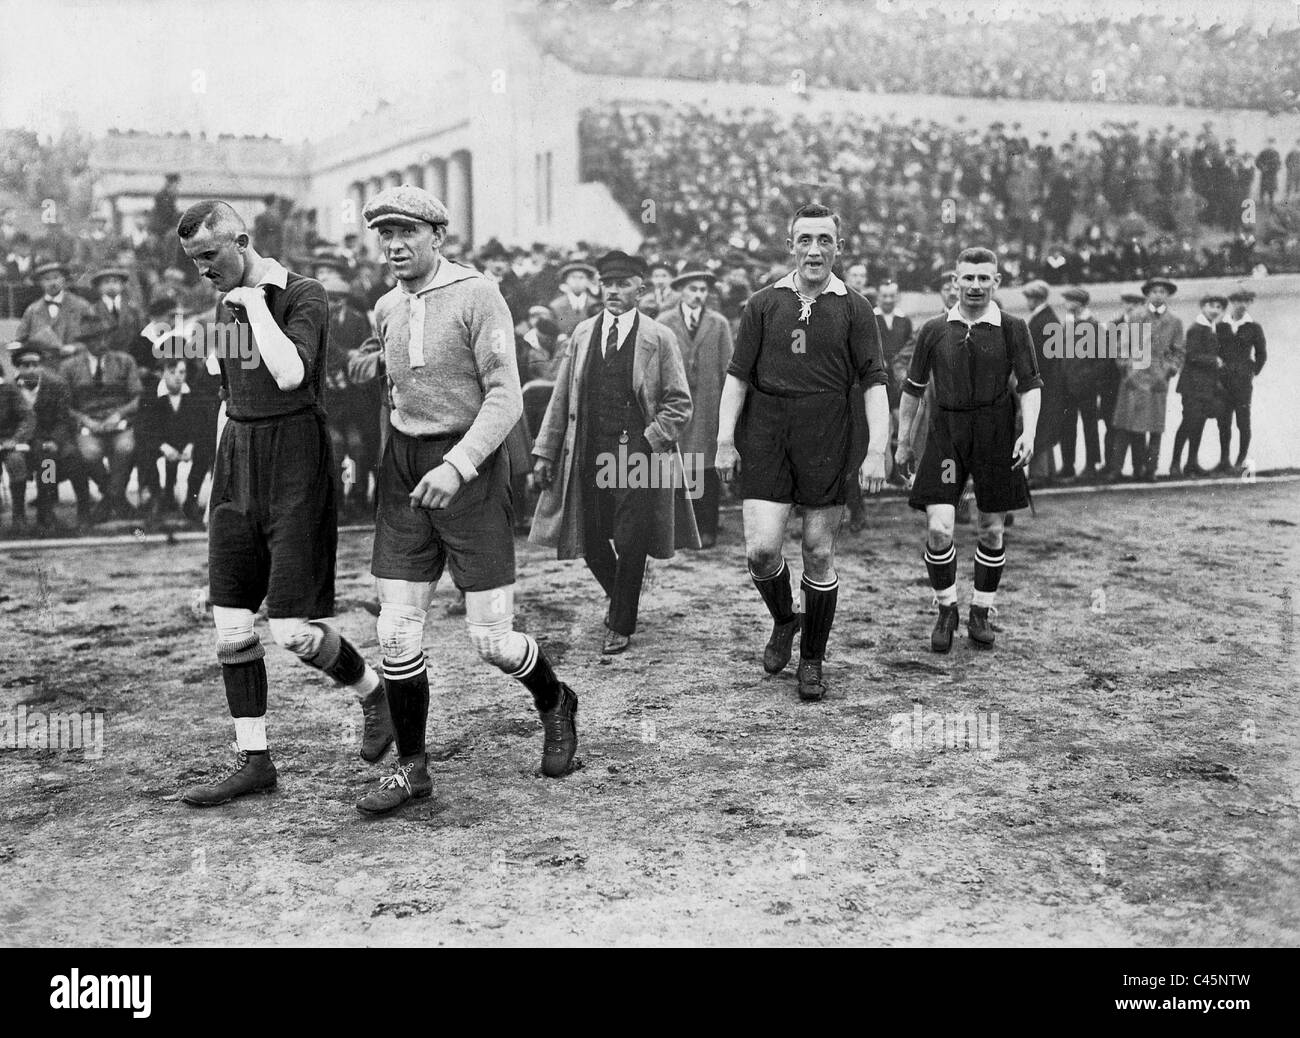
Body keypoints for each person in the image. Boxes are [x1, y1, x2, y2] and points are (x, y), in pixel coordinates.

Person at [358, 185, 579, 815]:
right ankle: (413, 768)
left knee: (491, 639)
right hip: (406, 472)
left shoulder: (479, 294)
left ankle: (555, 700)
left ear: (437, 236)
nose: (395, 246)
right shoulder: (384, 307)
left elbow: (506, 397)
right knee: (395, 630)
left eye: (407, 234)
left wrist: (458, 465)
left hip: (471, 469)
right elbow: (397, 393)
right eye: (385, 236)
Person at [173, 200, 391, 808]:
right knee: (231, 623)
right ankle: (254, 759)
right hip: (238, 460)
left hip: (295, 456)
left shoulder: (306, 294)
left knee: (294, 630)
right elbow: (228, 391)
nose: (203, 272)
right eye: (193, 262)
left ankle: (373, 690)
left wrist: (252, 305)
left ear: (240, 242)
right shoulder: (223, 303)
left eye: (210, 257)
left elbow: (292, 373)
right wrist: (215, 477)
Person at [715, 203, 890, 701]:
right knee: (762, 550)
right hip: (768, 430)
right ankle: (785, 620)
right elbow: (737, 377)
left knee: (817, 551)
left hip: (827, 431)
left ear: (839, 247)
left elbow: (875, 382)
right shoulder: (763, 303)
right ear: (789, 245)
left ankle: (812, 659)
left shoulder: (855, 308)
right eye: (805, 240)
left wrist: (877, 448)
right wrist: (725, 439)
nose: (815, 250)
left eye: (825, 240)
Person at [532, 251, 699, 654]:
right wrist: (545, 452)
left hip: (638, 455)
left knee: (631, 536)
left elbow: (679, 402)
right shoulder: (583, 334)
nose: (613, 291)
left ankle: (621, 621)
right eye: (608, 283)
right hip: (588, 452)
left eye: (623, 284)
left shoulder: (659, 337)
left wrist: (652, 438)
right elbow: (561, 399)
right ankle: (624, 593)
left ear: (640, 290)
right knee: (587, 536)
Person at [895, 247, 1042, 652]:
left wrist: (1028, 432)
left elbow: (1030, 385)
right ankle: (946, 609)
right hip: (947, 435)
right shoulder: (934, 330)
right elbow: (913, 389)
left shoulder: (1013, 328)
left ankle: (981, 610)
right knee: (939, 528)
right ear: (954, 282)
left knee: (991, 529)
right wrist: (904, 440)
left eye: (984, 278)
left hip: (996, 435)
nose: (975, 286)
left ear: (996, 282)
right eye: (968, 278)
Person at [655, 268, 733, 547]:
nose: (698, 295)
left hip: (708, 404)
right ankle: (678, 530)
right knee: (677, 465)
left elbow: (728, 368)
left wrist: (727, 408)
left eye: (703, 290)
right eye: (693, 289)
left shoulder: (719, 323)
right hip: (675, 404)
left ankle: (706, 527)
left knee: (706, 467)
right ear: (681, 291)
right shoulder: (664, 322)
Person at [60, 318, 142, 522]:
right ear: (86, 342)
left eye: (104, 337)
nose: (101, 342)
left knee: (126, 448)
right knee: (89, 454)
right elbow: (63, 404)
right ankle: (117, 499)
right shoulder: (69, 367)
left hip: (119, 423)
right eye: (95, 339)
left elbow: (138, 397)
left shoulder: (125, 361)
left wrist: (119, 414)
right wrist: (84, 420)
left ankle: (107, 501)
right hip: (89, 424)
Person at [1107, 276, 1184, 481]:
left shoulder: (1174, 321)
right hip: (1134, 376)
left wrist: (1168, 371)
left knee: (1155, 427)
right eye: (1154, 291)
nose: (1158, 295)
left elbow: (1178, 352)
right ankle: (1122, 469)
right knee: (1126, 425)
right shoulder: (1135, 316)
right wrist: (1126, 369)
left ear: (1167, 295)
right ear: (1147, 294)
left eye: (1162, 291)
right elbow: (1123, 346)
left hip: (1158, 378)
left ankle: (1150, 470)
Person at [7, 341, 84, 531]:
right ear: (17, 368)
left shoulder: (56, 386)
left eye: (35, 365)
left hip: (49, 437)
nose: (32, 370)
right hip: (21, 442)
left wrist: (53, 440)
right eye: (26, 366)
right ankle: (18, 515)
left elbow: (63, 419)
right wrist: (15, 440)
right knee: (17, 461)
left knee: (51, 460)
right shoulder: (10, 390)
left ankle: (46, 510)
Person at [1170, 294, 1227, 478]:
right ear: (1202, 307)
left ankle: (1191, 463)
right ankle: (1175, 464)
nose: (1215, 310)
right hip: (1192, 386)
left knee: (1199, 425)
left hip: (1206, 386)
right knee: (1188, 424)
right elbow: (1192, 356)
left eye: (1219, 307)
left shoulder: (1210, 328)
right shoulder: (1197, 328)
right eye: (1211, 305)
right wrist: (1214, 360)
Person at [1057, 287, 1105, 481]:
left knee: (1090, 427)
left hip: (1086, 386)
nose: (1067, 303)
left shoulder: (1093, 325)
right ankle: (1068, 465)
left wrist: (1089, 377)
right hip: (1066, 385)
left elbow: (1102, 359)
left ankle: (1091, 466)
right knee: (1067, 427)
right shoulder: (1066, 323)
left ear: (1080, 303)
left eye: (1070, 300)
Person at [1216, 288, 1266, 474]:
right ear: (1231, 302)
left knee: (1243, 421)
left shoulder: (1253, 327)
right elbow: (1214, 351)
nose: (1242, 304)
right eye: (1238, 300)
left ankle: (1241, 459)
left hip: (1243, 382)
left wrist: (1251, 371)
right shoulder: (1221, 326)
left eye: (1246, 300)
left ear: (1250, 303)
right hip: (1223, 381)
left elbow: (1261, 355)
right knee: (1224, 421)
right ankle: (1224, 460)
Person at [8, 262, 95, 367]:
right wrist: (15, 347)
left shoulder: (82, 306)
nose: (52, 282)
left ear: (64, 280)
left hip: (74, 365)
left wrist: (75, 348)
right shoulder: (32, 310)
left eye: (56, 277)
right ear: (40, 283)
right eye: (47, 279)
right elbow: (20, 338)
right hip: (42, 367)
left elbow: (95, 338)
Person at [1022, 280, 1065, 483]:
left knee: (1040, 425)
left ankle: (1040, 473)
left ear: (1036, 298)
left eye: (1029, 298)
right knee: (1044, 425)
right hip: (1048, 380)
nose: (1027, 302)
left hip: (1044, 381)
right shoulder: (1046, 317)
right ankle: (1048, 471)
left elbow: (1046, 356)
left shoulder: (1044, 319)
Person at [0, 371, 35, 534]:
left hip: (8, 441)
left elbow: (27, 417)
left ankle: (19, 515)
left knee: (16, 461)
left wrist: (15, 438)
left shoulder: (9, 390)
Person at [549, 262, 598, 337]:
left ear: (588, 281)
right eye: (573, 277)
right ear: (566, 281)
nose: (577, 281)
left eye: (581, 277)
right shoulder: (555, 306)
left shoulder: (596, 305)